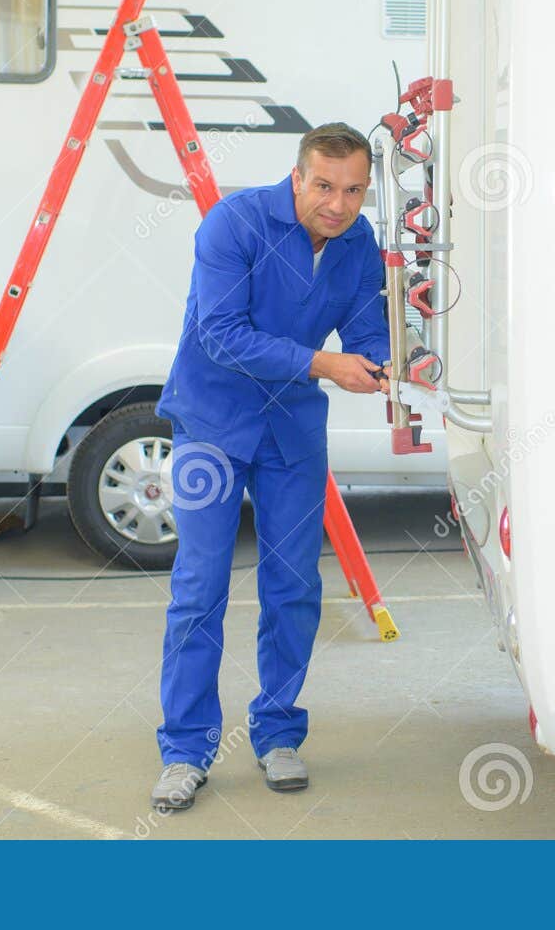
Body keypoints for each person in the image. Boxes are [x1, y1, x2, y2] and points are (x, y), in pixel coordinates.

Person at [150, 122, 392, 812]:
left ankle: (278, 730)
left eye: (352, 191)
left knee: (294, 584)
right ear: (297, 177)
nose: (338, 205)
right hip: (213, 424)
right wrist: (326, 365)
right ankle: (186, 747)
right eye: (324, 186)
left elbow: (365, 324)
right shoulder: (235, 224)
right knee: (200, 588)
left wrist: (383, 363)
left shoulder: (357, 243)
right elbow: (219, 334)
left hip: (290, 430)